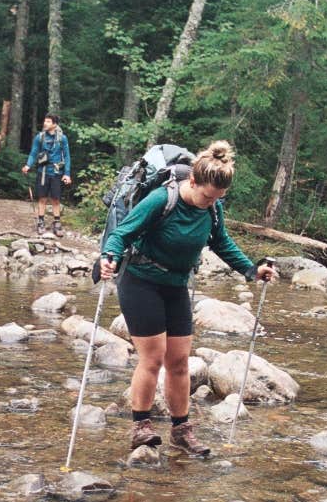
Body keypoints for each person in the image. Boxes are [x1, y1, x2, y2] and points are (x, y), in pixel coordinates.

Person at [100, 140, 278, 457]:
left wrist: (251, 270)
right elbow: (121, 233)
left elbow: (221, 242)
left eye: (218, 198)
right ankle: (141, 427)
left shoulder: (211, 207)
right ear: (192, 181)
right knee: (152, 359)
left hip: (176, 285)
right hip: (141, 282)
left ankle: (181, 431)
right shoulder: (161, 199)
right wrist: (110, 255)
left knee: (180, 362)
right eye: (208, 196)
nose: (211, 202)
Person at [22, 112, 72, 235]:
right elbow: (33, 153)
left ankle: (57, 222)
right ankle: (40, 221)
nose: (45, 123)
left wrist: (67, 173)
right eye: (45, 121)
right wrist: (28, 165)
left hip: (56, 172)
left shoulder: (62, 138)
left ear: (54, 124)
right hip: (43, 171)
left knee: (55, 198)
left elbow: (67, 156)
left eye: (48, 121)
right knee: (42, 197)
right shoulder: (40, 137)